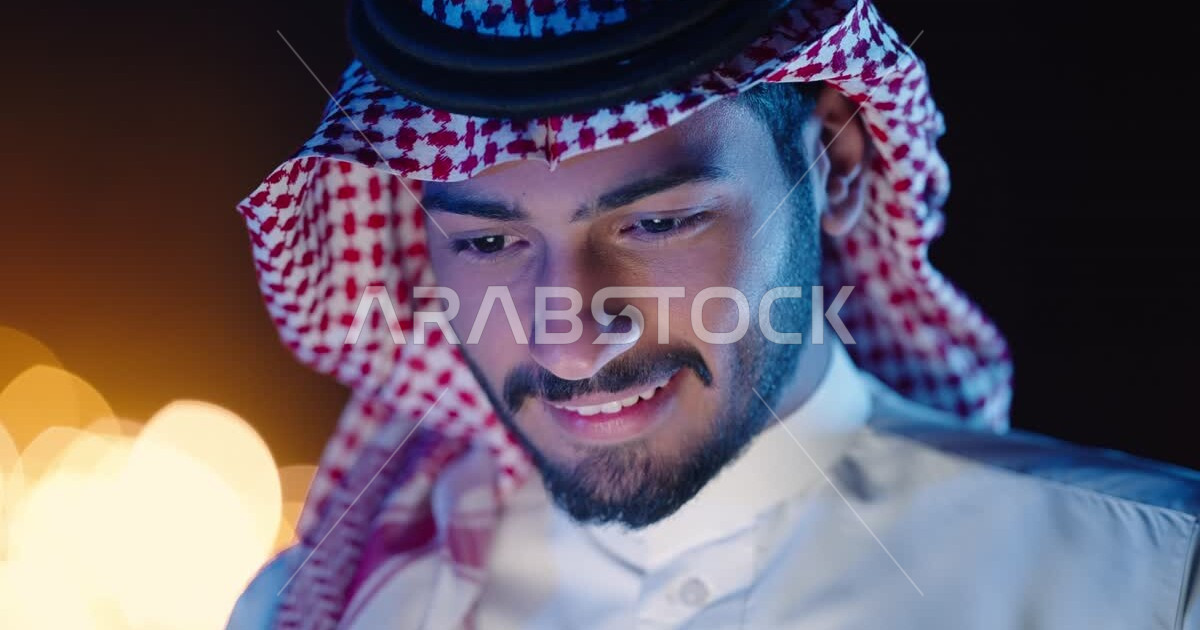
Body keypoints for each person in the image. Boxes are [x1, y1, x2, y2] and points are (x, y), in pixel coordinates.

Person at [229, 1, 1200, 628]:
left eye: (657, 222)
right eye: (488, 243)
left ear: (834, 161)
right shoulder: (338, 605)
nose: (566, 333)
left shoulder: (1154, 582)